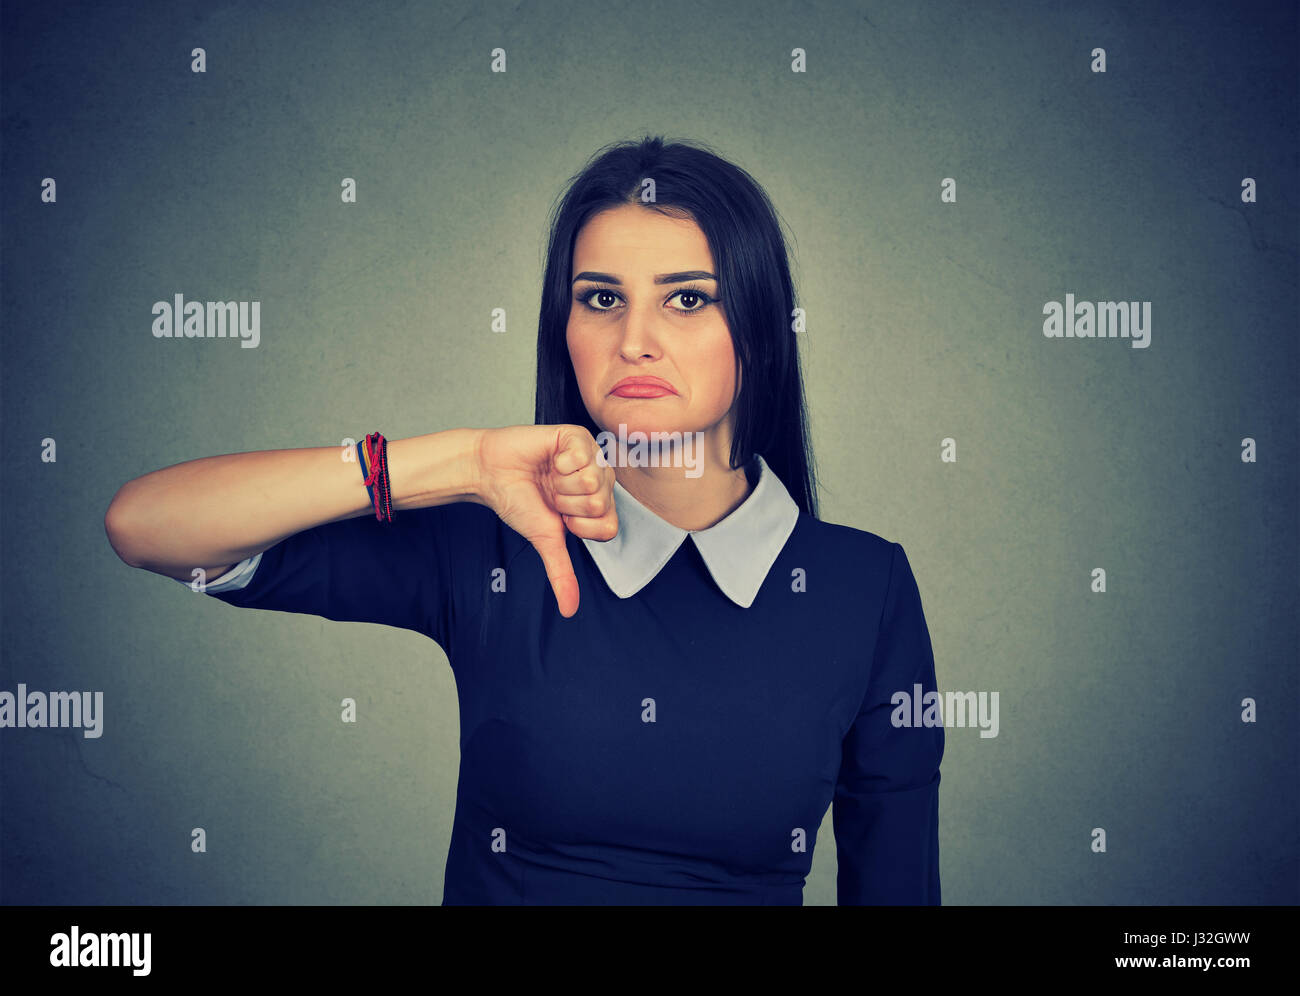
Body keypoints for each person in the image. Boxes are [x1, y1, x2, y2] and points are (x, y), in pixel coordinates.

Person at [105, 136, 944, 905]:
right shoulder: (492, 546)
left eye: (688, 299)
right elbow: (147, 525)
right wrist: (461, 463)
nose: (635, 340)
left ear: (758, 332)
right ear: (564, 329)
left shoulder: (866, 589)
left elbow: (897, 884)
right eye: (601, 299)